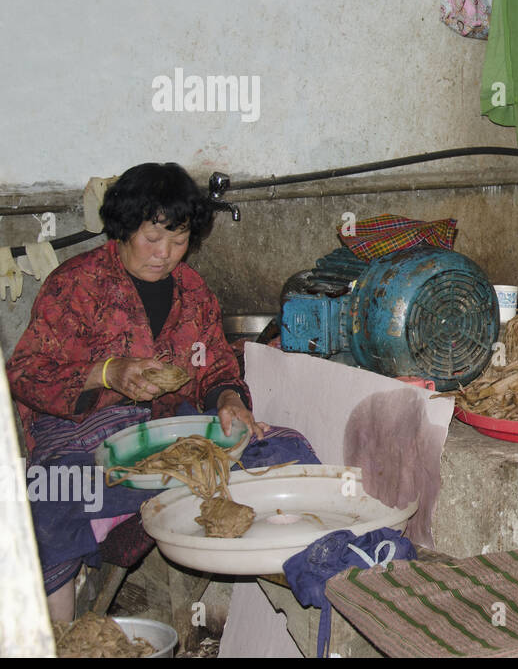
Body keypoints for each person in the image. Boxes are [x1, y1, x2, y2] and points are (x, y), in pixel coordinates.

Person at [6, 163, 317, 621]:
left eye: (179, 240)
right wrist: (107, 373)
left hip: (167, 427)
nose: (166, 254)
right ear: (124, 229)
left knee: (282, 449)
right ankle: (62, 634)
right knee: (52, 493)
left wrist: (229, 399)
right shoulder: (76, 284)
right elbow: (26, 373)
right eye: (153, 239)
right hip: (82, 427)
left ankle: (302, 566)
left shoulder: (193, 290)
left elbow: (215, 363)